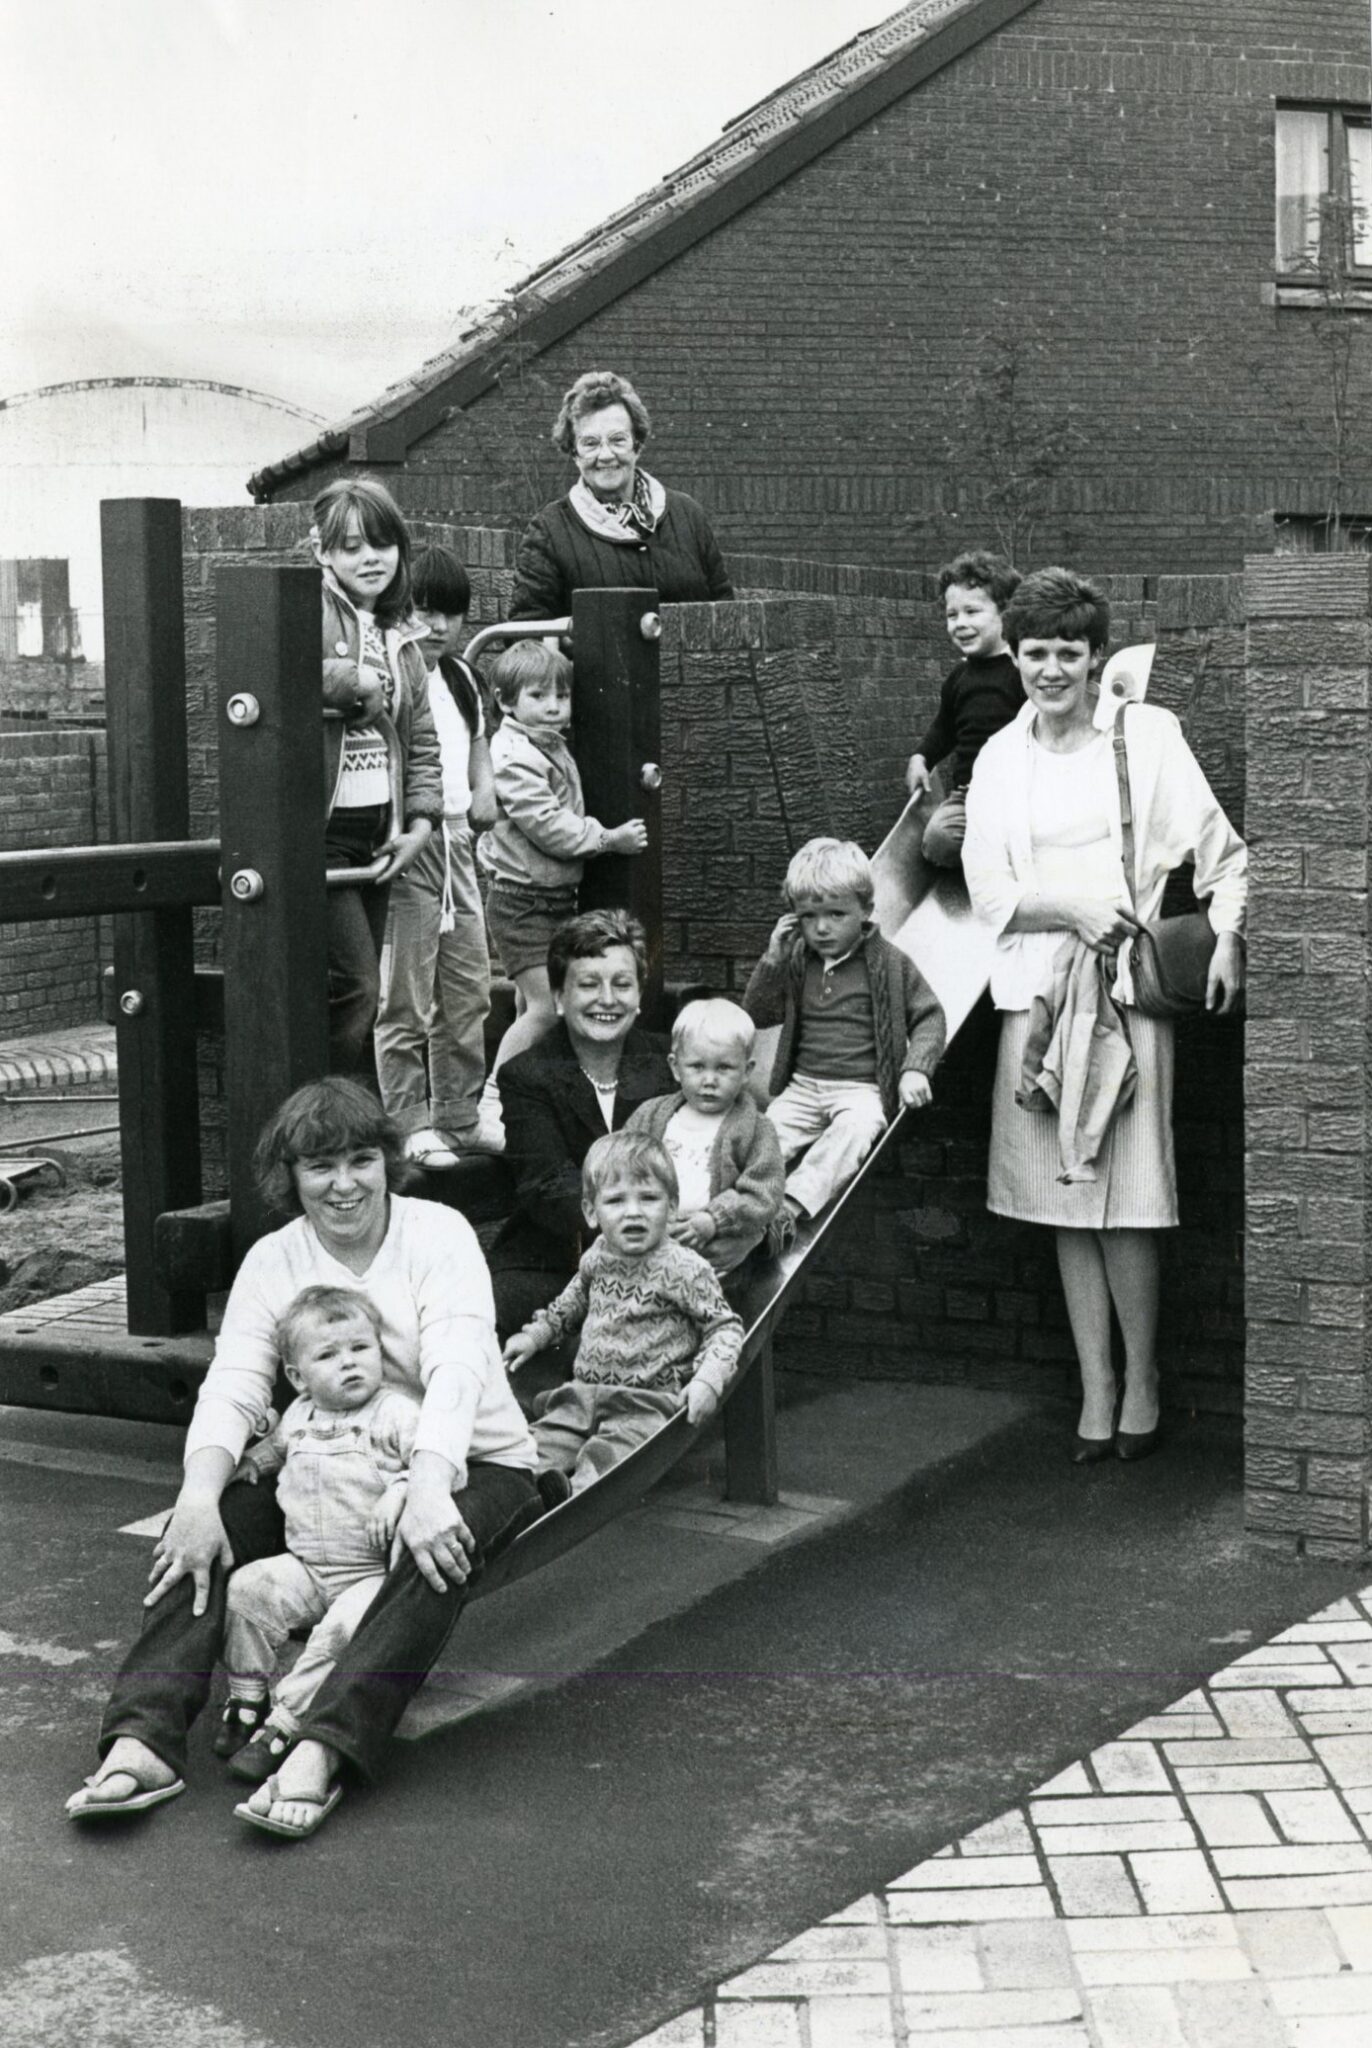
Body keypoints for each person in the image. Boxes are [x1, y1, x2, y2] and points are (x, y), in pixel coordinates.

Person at [64, 1078, 537, 1842]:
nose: (344, 1184)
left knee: (433, 1550)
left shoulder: (439, 1233)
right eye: (321, 1167)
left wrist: (427, 1481)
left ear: (388, 1161)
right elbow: (237, 1383)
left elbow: (458, 1363)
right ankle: (143, 1739)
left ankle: (324, 1746)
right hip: (328, 1458)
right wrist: (195, 1497)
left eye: (360, 1160)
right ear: (292, 1178)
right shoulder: (272, 1260)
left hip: (474, 1460)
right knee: (203, 1533)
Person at [962, 566, 1246, 1465]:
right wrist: (1074, 912)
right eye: (1035, 652)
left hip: (1125, 998)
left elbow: (1224, 856)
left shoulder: (1147, 736)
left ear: (1095, 659)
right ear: (1015, 654)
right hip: (1039, 1002)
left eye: (1069, 654)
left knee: (1126, 1202)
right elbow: (990, 891)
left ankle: (1145, 1380)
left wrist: (1230, 939)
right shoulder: (1002, 756)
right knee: (1063, 1201)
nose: (1051, 670)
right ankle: (1096, 1384)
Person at [216, 1286, 421, 1787]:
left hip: (370, 1574)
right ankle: (247, 1696)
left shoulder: (396, 1412)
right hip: (308, 1567)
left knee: (340, 1633)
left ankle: (285, 1724)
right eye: (328, 1355)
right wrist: (249, 1464)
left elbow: (435, 1465)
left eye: (361, 1348)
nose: (349, 1364)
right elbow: (277, 1450)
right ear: (296, 1376)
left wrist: (401, 1491)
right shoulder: (300, 1415)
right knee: (247, 1590)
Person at [503, 1131, 744, 1495]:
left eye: (649, 1198)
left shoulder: (683, 1267)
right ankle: (528, 1486)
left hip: (644, 1403)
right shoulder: (597, 1256)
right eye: (615, 1201)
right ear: (591, 1211)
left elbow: (724, 1328)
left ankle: (574, 1494)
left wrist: (708, 1379)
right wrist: (535, 1336)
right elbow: (569, 1305)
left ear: (673, 1206)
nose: (633, 1212)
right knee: (541, 1442)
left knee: (611, 1454)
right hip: (582, 1395)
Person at [744, 838, 946, 1234]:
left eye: (836, 914)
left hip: (860, 1090)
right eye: (808, 916)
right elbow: (758, 1013)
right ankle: (741, 1207)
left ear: (866, 910)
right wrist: (773, 960)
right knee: (763, 1138)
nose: (821, 928)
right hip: (802, 1087)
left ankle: (788, 1208)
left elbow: (930, 1016)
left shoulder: (889, 963)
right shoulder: (798, 959)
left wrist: (915, 1069)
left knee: (854, 1134)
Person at [488, 908, 674, 1338]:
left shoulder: (671, 1067)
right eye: (588, 984)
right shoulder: (527, 1075)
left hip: (664, 1254)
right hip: (555, 1260)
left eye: (621, 984)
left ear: (639, 995)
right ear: (557, 998)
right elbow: (549, 1185)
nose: (607, 999)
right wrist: (632, 1222)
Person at [314, 476, 443, 1074]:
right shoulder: (310, 608)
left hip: (380, 835)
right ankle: (327, 1113)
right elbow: (280, 670)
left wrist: (420, 824)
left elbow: (421, 742)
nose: (371, 558)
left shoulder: (402, 638)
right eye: (352, 547)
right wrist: (351, 681)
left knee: (365, 992)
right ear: (324, 553)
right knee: (357, 985)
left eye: (382, 544)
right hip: (327, 830)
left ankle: (346, 1119)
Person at [375, 544, 498, 1167]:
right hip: (414, 846)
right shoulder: (394, 670)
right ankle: (406, 1120)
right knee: (406, 994)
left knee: (469, 985)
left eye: (451, 614)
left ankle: (459, 1112)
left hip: (459, 844)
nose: (438, 627)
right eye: (424, 610)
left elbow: (480, 754)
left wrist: (485, 793)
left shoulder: (464, 677)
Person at [480, 639, 648, 1070]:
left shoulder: (545, 742)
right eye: (539, 696)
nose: (554, 706)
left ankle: (524, 1089)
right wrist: (609, 839)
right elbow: (549, 826)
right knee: (544, 1008)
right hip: (522, 903)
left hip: (549, 898)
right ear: (505, 701)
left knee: (528, 1004)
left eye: (562, 695)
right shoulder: (514, 755)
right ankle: (498, 1099)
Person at [508, 369, 734, 619]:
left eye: (617, 440)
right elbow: (525, 633)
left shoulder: (689, 517)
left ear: (637, 445)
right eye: (590, 443)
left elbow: (726, 613)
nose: (605, 455)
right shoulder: (547, 532)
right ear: (574, 453)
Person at [626, 997, 786, 1274]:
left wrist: (715, 1219)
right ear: (676, 1067)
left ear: (747, 1071)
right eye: (697, 1067)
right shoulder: (649, 1117)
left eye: (724, 1068)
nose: (709, 1080)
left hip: (714, 1258)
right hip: (647, 1248)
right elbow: (617, 1168)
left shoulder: (756, 1129)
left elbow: (764, 1193)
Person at [905, 550, 1023, 868]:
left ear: (1006, 614)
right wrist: (921, 757)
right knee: (937, 843)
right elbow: (944, 727)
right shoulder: (959, 676)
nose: (961, 624)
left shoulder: (1023, 670)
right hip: (970, 796)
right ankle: (994, 864)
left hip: (1022, 793)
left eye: (972, 611)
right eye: (952, 615)